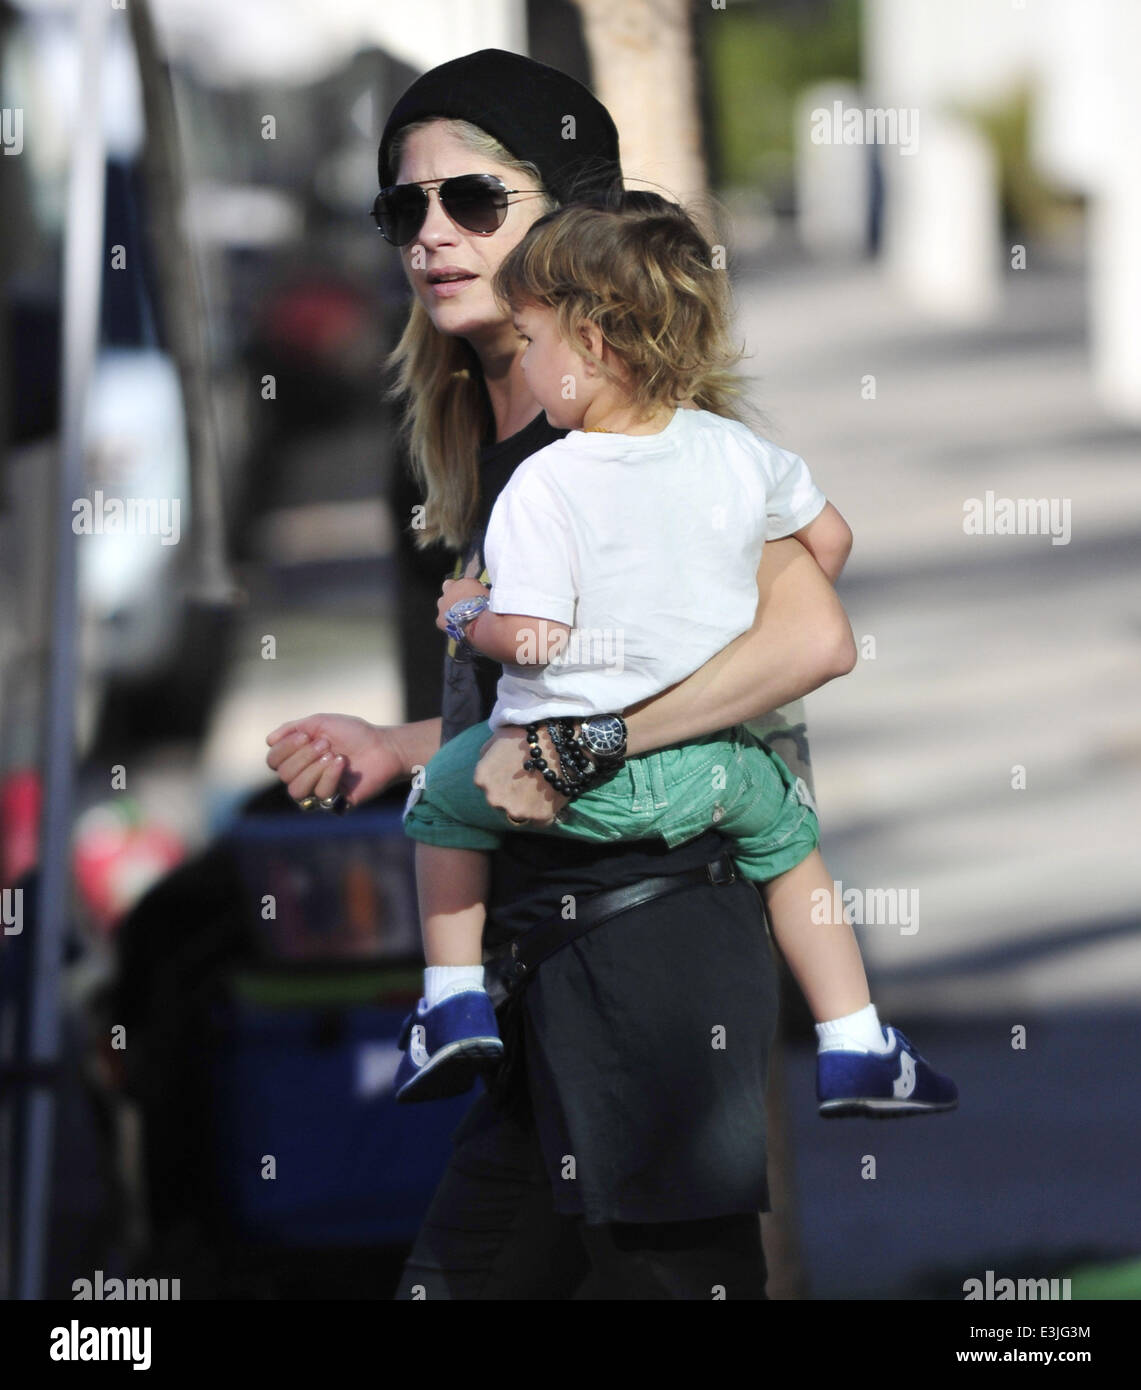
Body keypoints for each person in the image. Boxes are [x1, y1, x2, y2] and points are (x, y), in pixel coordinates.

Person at [266, 49, 858, 1299]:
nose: (430, 235)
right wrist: (404, 741)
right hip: (549, 962)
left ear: (573, 217)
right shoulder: (475, 431)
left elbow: (808, 638)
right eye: (403, 208)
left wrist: (598, 747)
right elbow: (557, 699)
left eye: (472, 200)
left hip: (653, 942)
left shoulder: (648, 437)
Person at [394, 193, 957, 1123]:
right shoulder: (739, 453)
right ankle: (856, 1040)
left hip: (560, 779)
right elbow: (831, 543)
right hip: (707, 775)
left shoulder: (543, 484)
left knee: (440, 805)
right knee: (790, 846)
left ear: (595, 346)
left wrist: (465, 615)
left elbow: (535, 635)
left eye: (533, 340)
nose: (525, 364)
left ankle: (450, 1001)